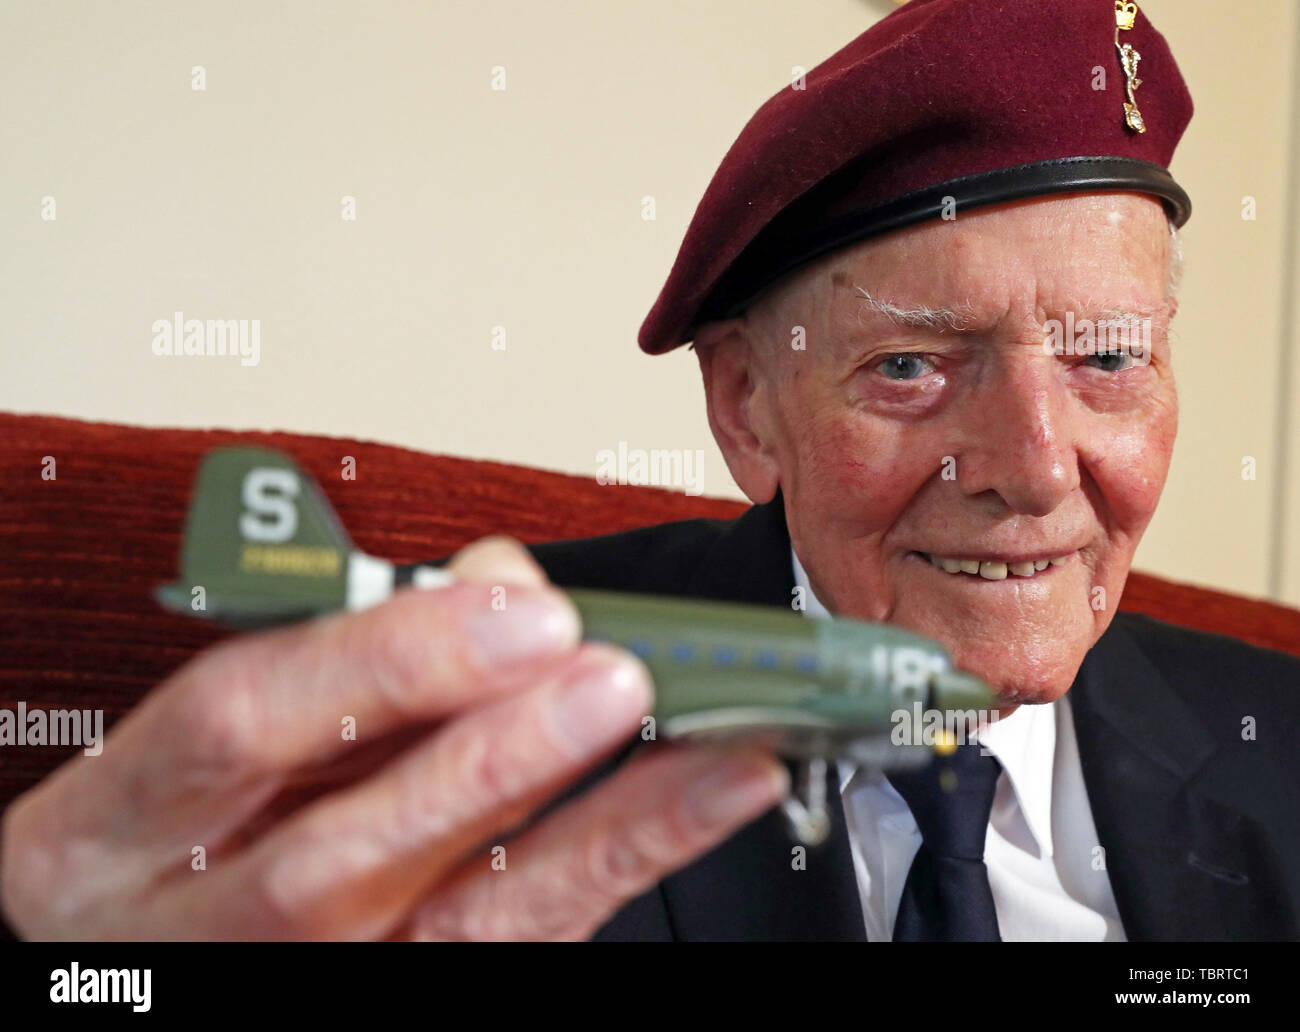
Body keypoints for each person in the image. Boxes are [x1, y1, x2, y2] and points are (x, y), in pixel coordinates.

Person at [2, 0, 1298, 941]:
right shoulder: (467, 704)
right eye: (910, 368)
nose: (1031, 468)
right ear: (748, 407)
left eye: (1110, 358)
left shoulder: (1278, 740)